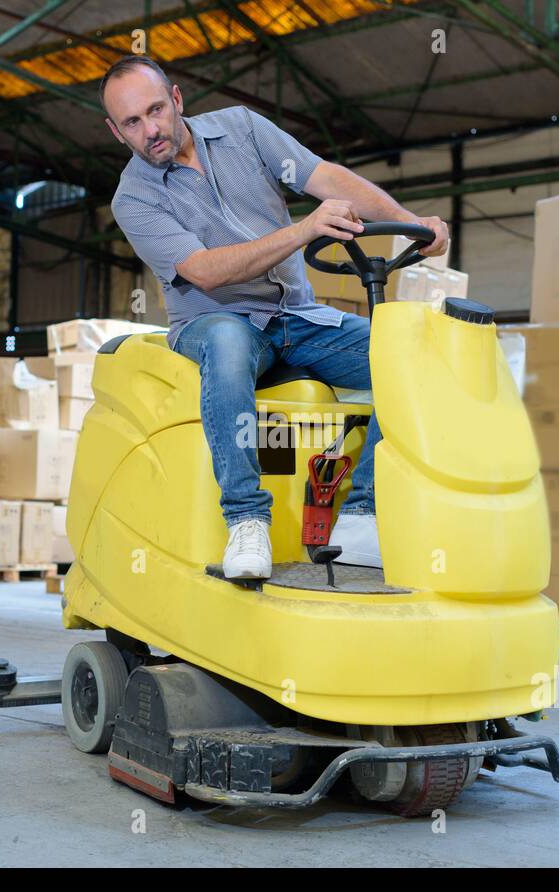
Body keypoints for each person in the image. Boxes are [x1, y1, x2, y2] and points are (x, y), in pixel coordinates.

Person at [101, 55, 448, 580]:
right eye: (132, 122)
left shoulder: (241, 128)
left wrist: (407, 222)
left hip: (297, 316)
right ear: (115, 131)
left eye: (155, 110)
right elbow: (206, 272)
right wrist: (305, 230)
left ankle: (360, 514)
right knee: (228, 343)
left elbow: (323, 176)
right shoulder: (134, 197)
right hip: (218, 321)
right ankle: (245, 520)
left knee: (407, 359)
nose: (150, 130)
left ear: (175, 99)